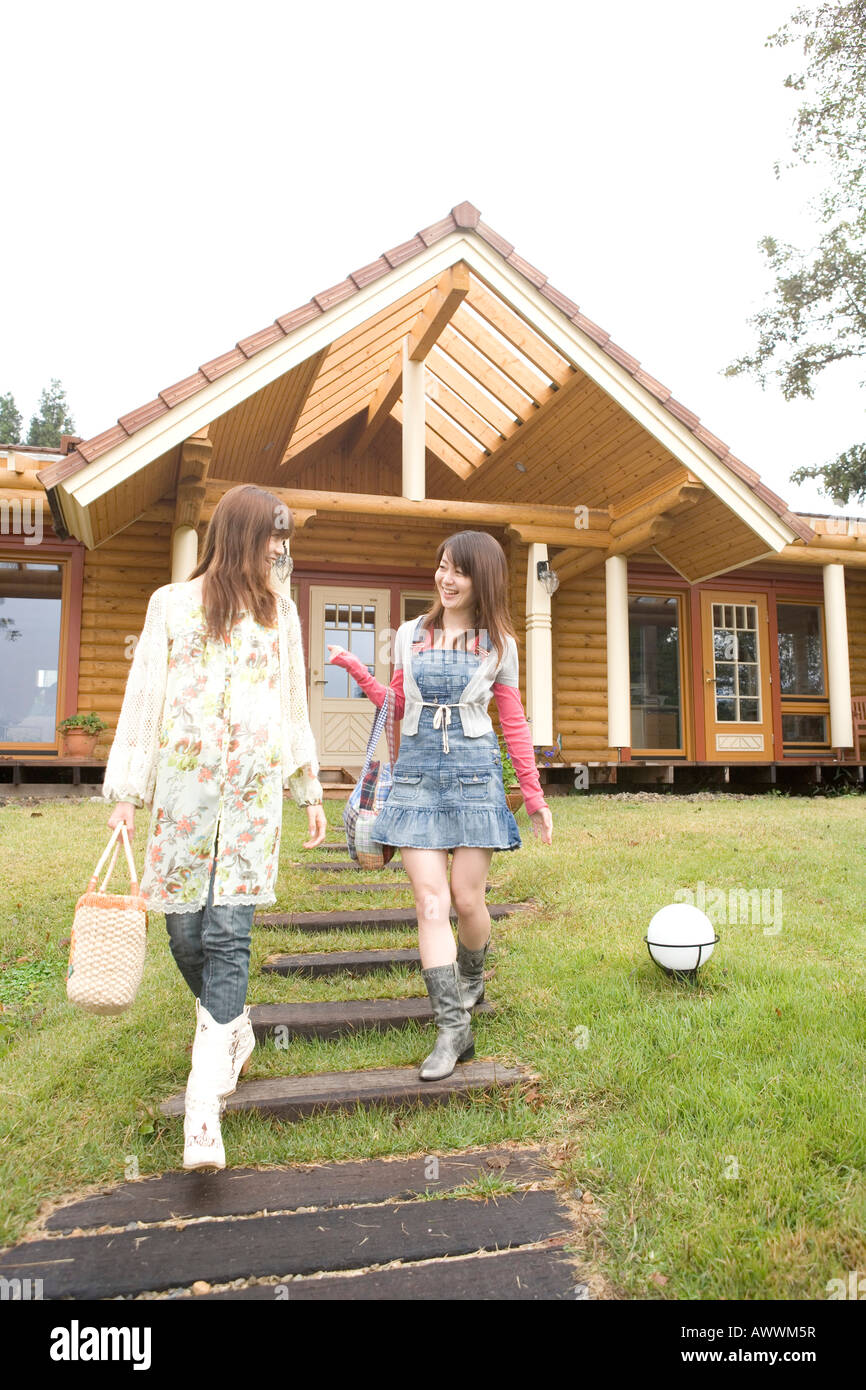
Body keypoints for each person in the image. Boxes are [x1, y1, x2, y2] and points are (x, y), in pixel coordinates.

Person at [103, 485, 327, 1171]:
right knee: (183, 930)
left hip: (252, 797)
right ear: (241, 535)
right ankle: (231, 1031)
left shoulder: (280, 614)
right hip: (182, 795)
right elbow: (143, 701)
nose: (280, 549)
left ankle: (204, 1110)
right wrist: (125, 795)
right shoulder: (170, 606)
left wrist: (308, 788)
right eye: (272, 536)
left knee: (228, 933)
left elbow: (292, 705)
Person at [328, 530, 553, 1082]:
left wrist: (533, 794)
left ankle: (472, 974)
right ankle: (453, 1028)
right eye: (441, 567)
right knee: (431, 903)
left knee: (467, 900)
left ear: (484, 579)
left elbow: (515, 724)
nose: (445, 579)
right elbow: (399, 703)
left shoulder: (499, 644)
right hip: (417, 782)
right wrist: (358, 673)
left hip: (476, 782)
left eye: (459, 571)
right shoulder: (411, 634)